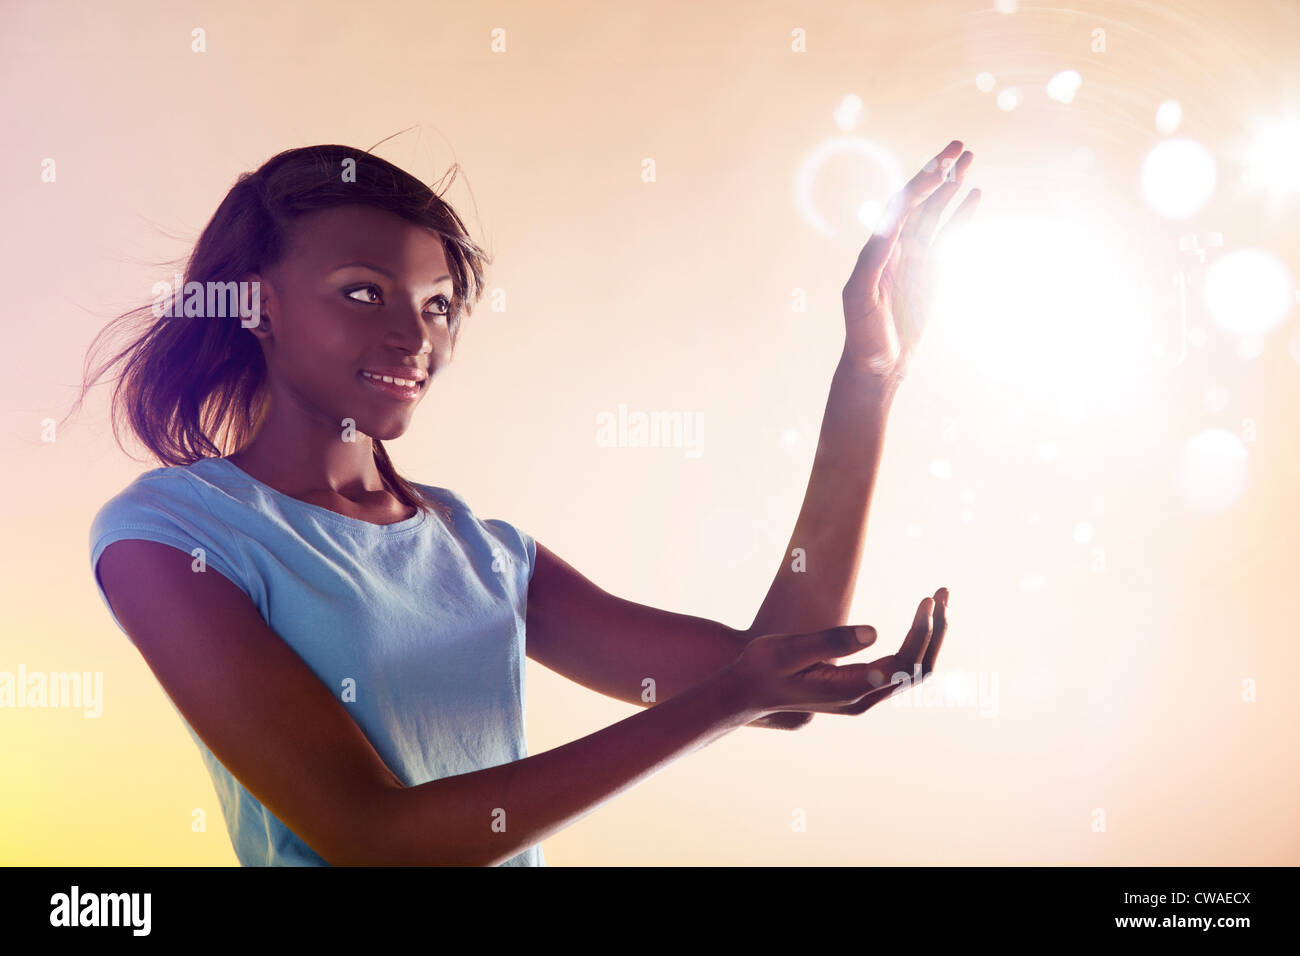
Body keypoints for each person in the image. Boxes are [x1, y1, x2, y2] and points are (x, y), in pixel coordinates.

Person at [72, 139, 977, 866]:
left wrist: (869, 375)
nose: (413, 335)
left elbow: (780, 682)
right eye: (363, 293)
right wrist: (724, 701)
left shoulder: (482, 550)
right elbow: (372, 838)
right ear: (260, 307)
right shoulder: (171, 537)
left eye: (439, 305)